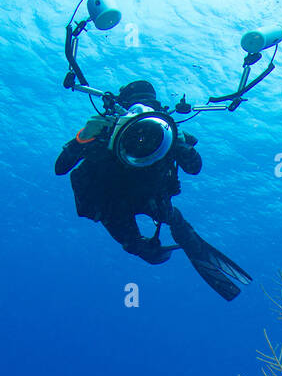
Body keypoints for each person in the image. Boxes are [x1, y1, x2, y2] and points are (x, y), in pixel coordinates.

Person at [55, 79, 251, 300]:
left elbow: (194, 167)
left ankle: (185, 245)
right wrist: (84, 137)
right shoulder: (105, 129)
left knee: (165, 230)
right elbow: (61, 167)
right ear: (121, 107)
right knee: (140, 246)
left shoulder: (165, 132)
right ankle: (158, 244)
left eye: (149, 106)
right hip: (111, 200)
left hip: (148, 197)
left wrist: (181, 143)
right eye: (134, 106)